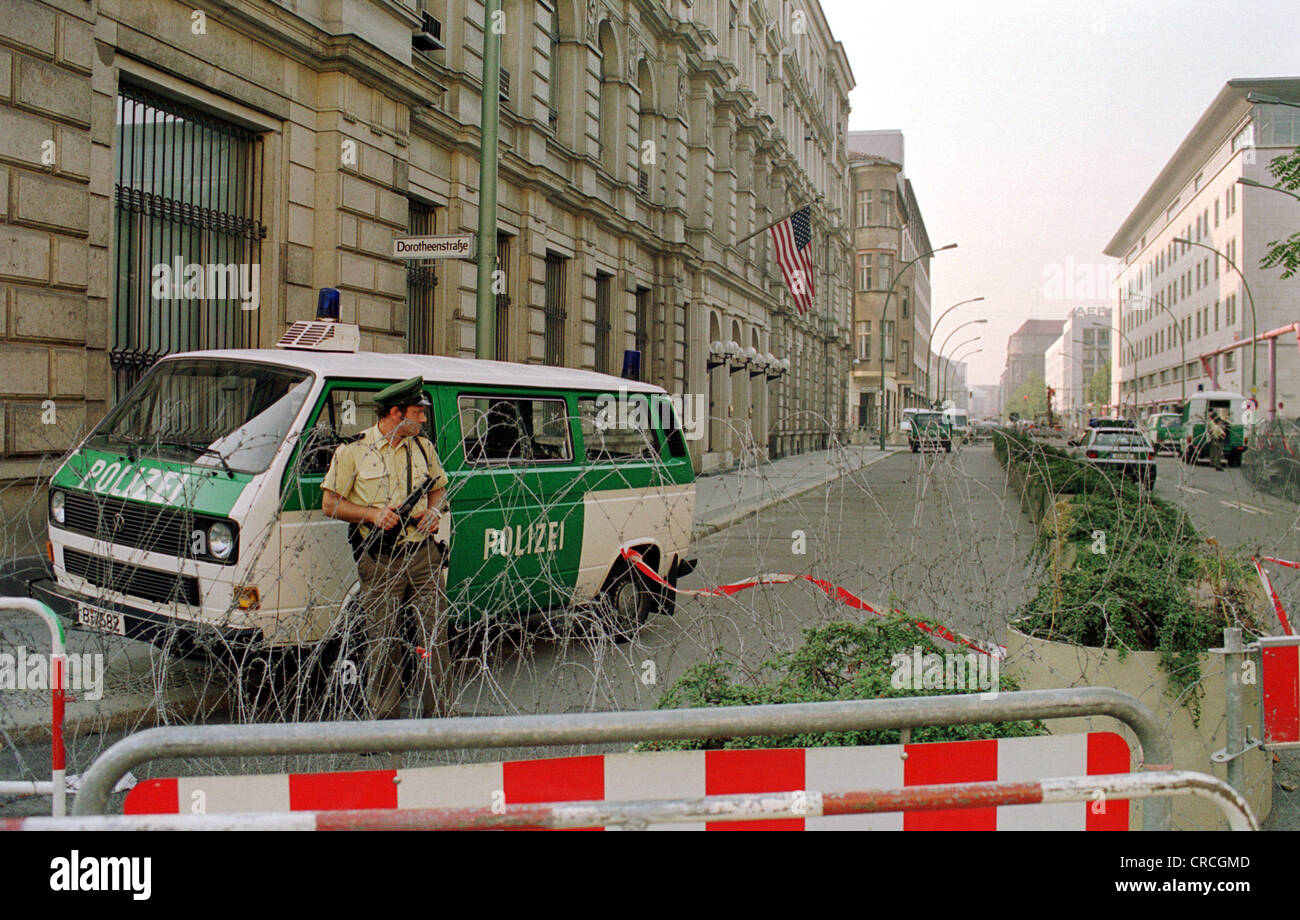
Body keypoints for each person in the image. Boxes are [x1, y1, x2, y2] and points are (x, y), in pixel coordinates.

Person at [320, 376, 451, 719]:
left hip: (423, 556)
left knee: (434, 642)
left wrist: (434, 513)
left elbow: (439, 487)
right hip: (381, 561)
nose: (423, 419)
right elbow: (330, 503)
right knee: (384, 645)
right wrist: (371, 514)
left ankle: (441, 722)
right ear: (396, 413)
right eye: (417, 412)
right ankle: (383, 722)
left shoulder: (423, 448)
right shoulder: (354, 451)